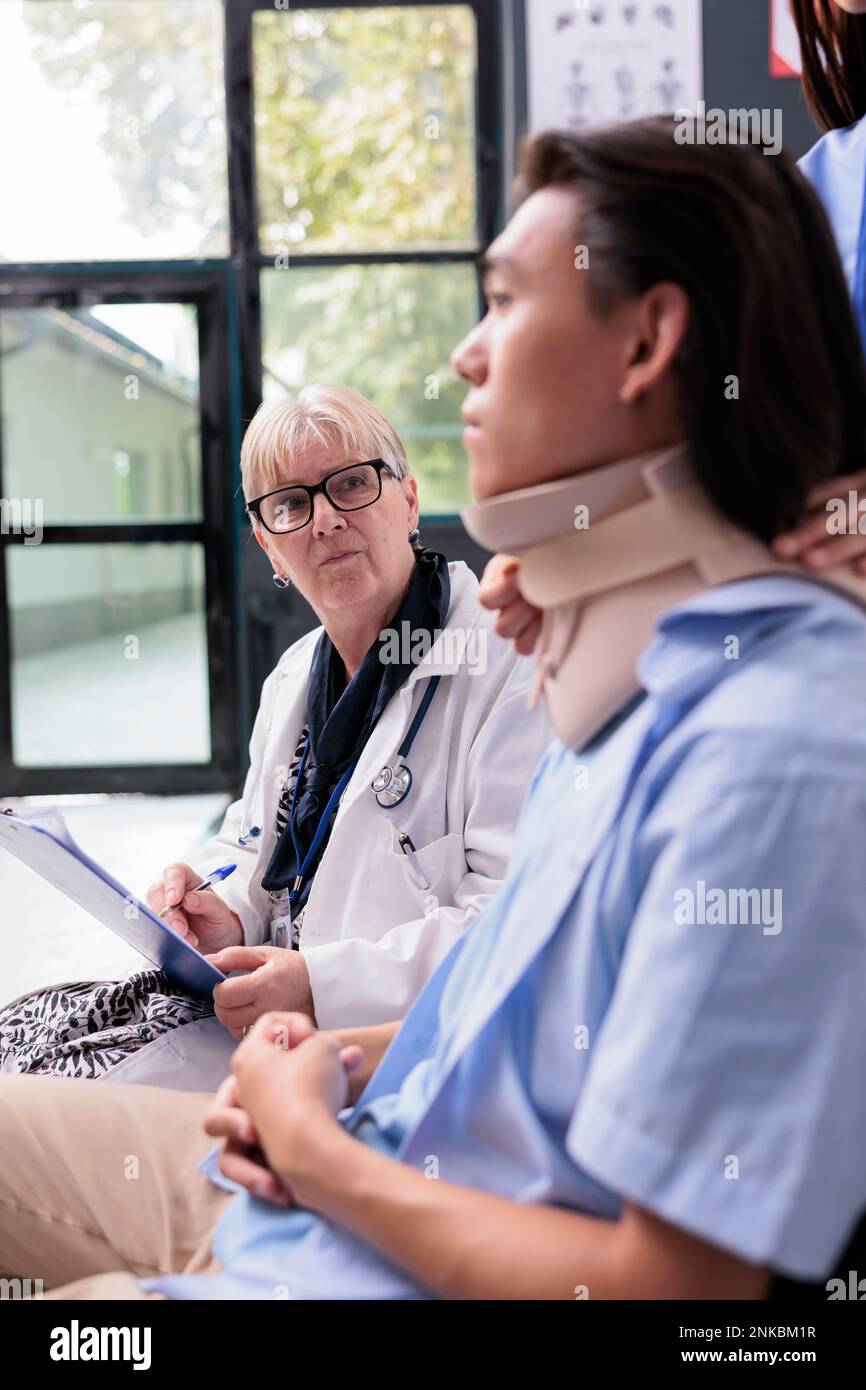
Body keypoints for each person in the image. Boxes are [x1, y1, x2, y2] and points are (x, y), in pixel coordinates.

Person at [3, 116, 866, 1301]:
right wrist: (320, 1068)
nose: (465, 355)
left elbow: (677, 1298)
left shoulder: (766, 749)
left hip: (355, 1240)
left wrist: (313, 1139)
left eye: (503, 301)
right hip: (349, 1157)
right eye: (289, 507)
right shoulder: (625, 699)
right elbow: (508, 1017)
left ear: (649, 339)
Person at [0, 385, 547, 1090]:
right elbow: (253, 846)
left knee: (39, 1118)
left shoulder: (506, 664)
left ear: (408, 500)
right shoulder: (294, 675)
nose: (324, 521)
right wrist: (221, 911)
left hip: (395, 1059)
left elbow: (514, 927)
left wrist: (319, 981)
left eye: (351, 484)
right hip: (256, 1019)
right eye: (290, 504)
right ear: (270, 547)